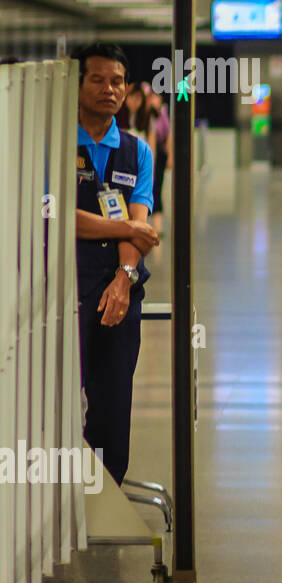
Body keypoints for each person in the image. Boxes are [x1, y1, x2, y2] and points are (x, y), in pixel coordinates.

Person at [72, 43, 159, 487]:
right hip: (63, 289)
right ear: (77, 83)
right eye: (98, 79)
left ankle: (104, 493)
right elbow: (52, 218)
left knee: (112, 402)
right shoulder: (53, 143)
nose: (110, 89)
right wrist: (125, 229)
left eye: (118, 81)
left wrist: (124, 281)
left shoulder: (137, 151)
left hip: (118, 292)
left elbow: (140, 227)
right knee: (58, 398)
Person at [146, 86, 172, 234]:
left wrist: (169, 156)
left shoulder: (162, 114)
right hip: (147, 154)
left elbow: (168, 135)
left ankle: (158, 226)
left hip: (160, 154)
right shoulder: (145, 115)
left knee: (157, 189)